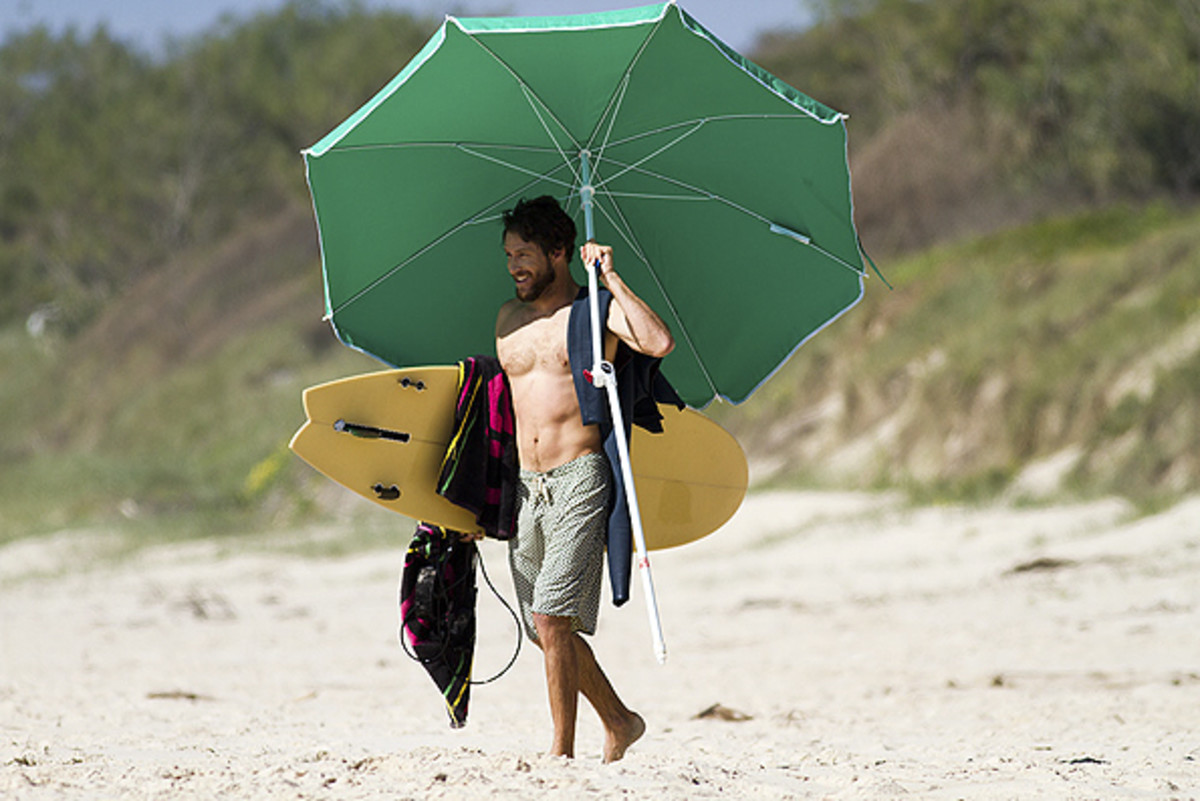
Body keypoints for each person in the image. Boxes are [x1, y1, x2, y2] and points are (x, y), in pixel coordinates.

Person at [493, 195, 673, 762]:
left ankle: (560, 753)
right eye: (508, 255)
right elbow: (498, 408)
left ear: (559, 252)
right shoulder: (507, 321)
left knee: (550, 616)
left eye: (524, 253)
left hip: (578, 476)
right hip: (526, 486)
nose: (514, 265)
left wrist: (612, 279)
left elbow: (658, 341)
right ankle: (619, 721)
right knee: (545, 629)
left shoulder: (594, 316)